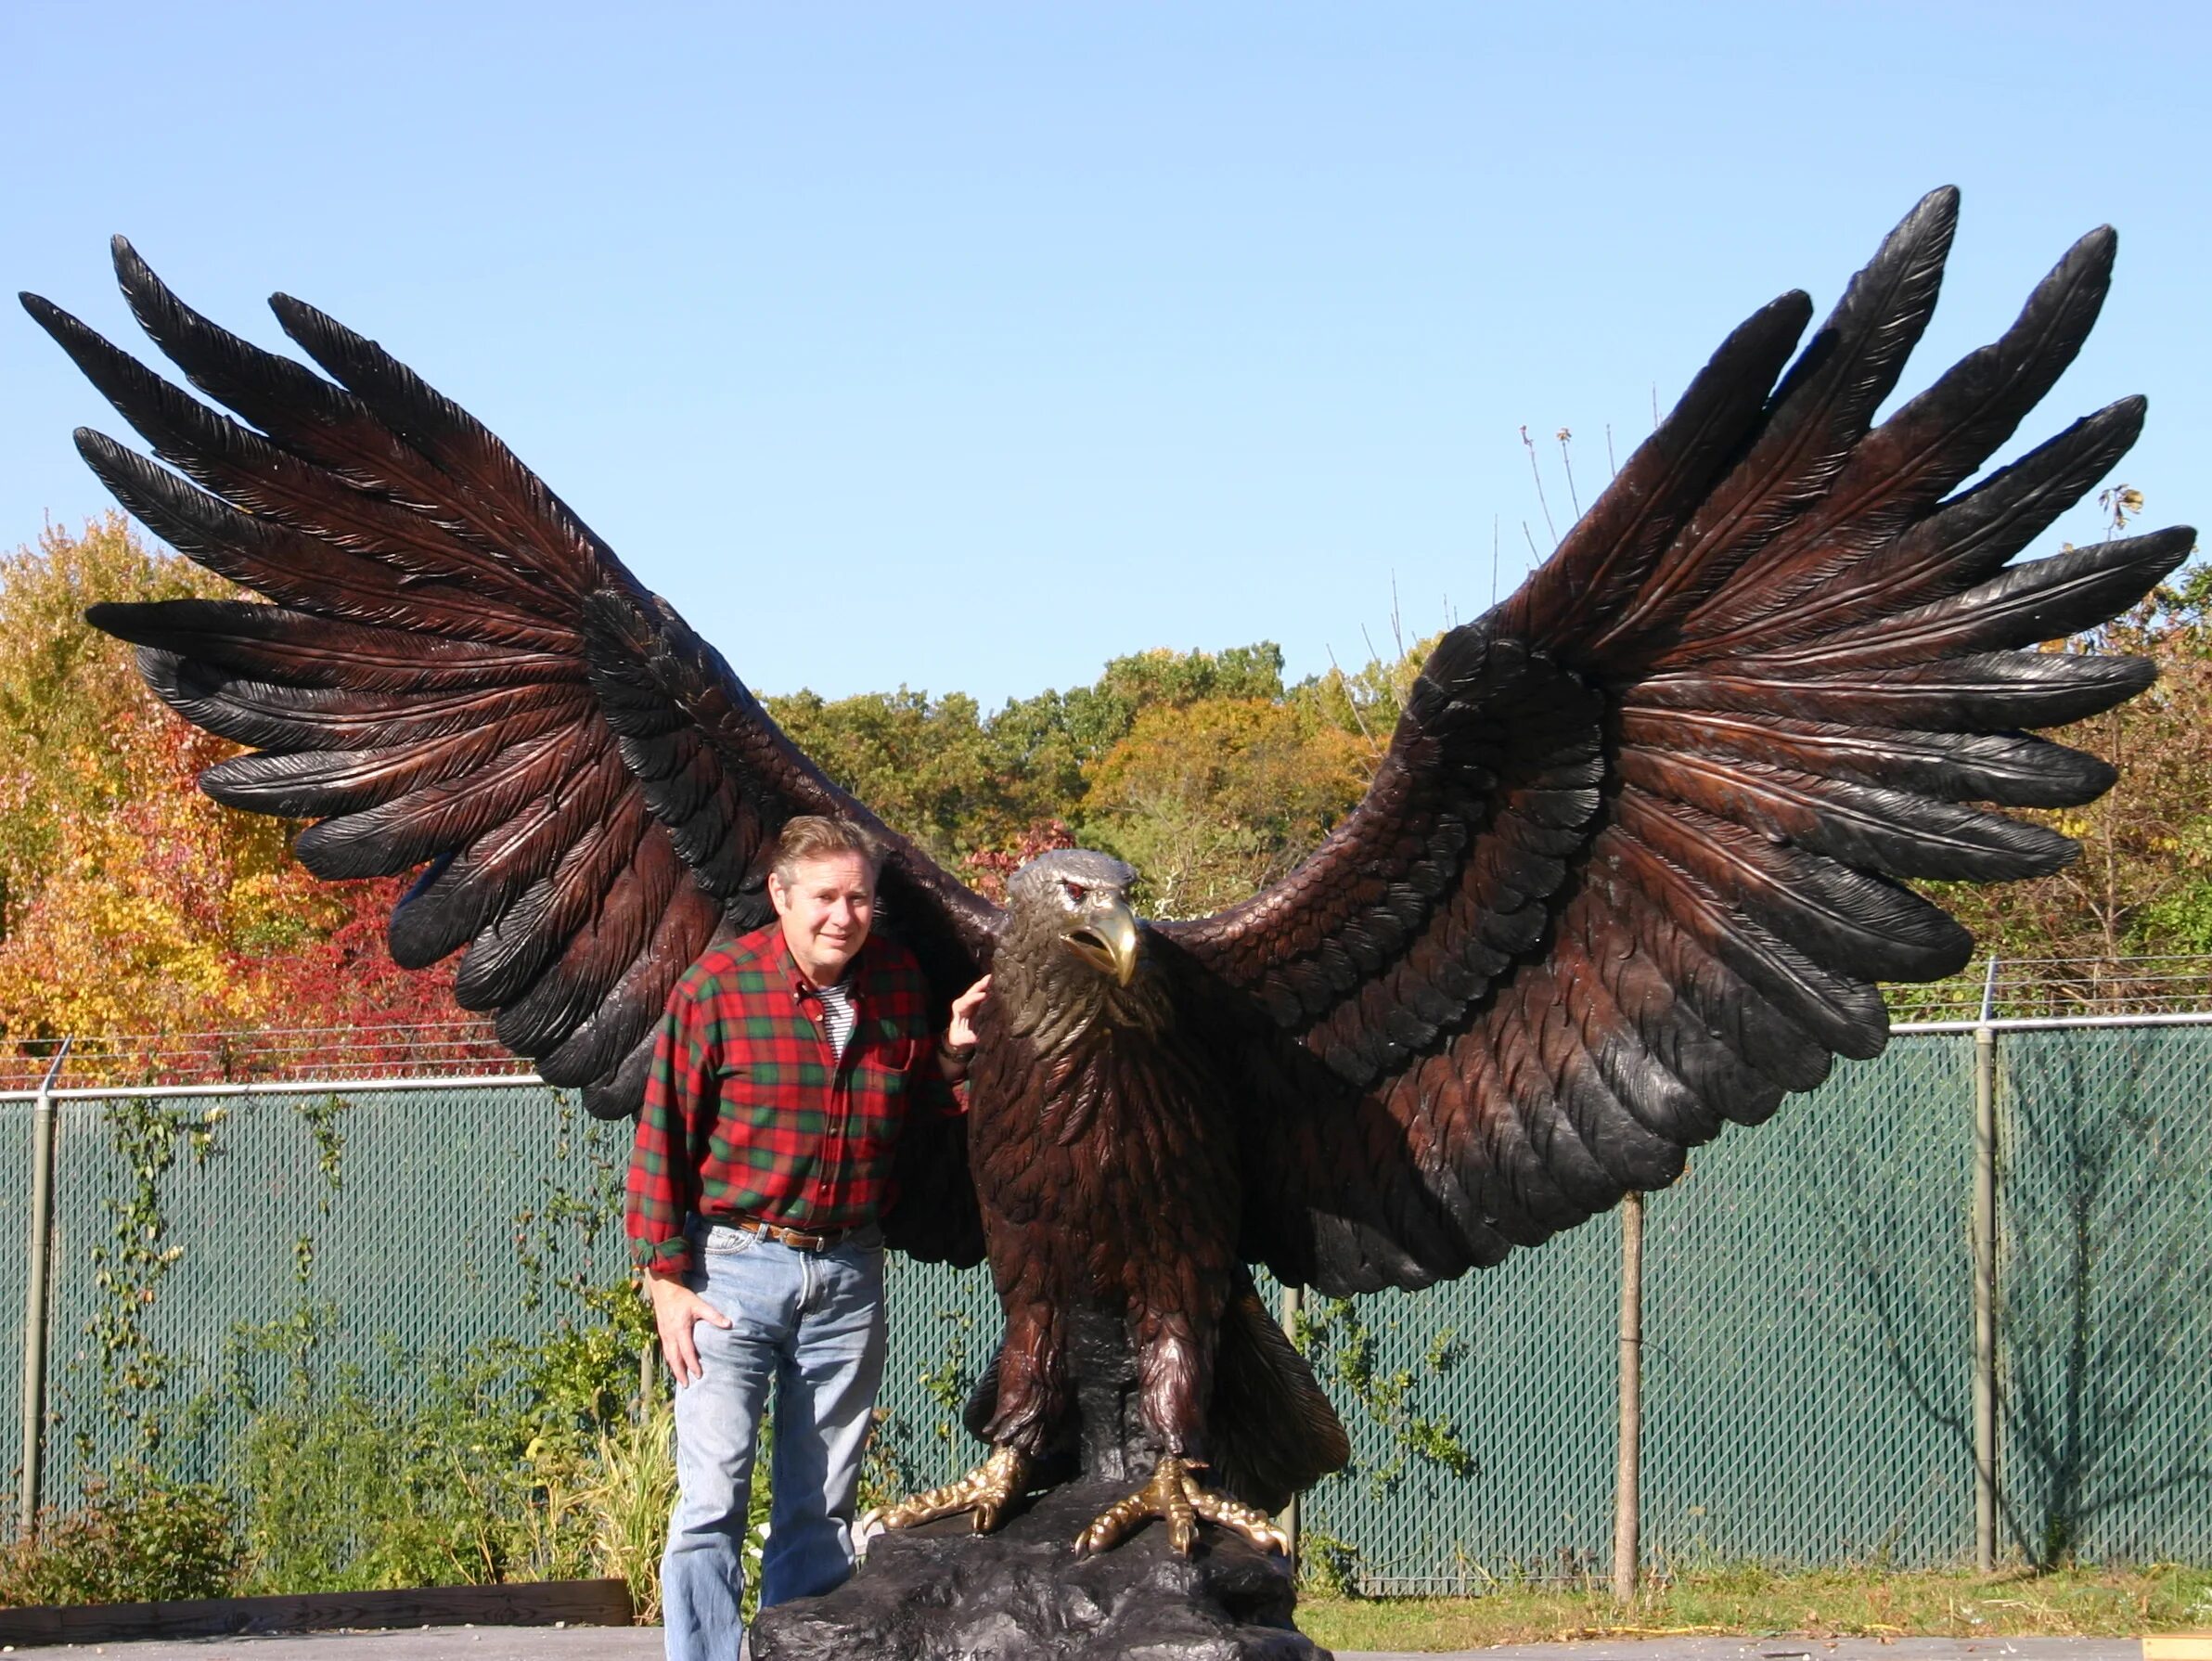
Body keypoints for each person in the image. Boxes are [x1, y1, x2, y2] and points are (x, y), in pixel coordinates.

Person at [625, 815, 987, 1661]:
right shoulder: (718, 989)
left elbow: (914, 1117)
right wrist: (666, 1280)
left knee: (820, 1507)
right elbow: (661, 1139)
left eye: (859, 898)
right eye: (824, 896)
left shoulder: (898, 985)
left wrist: (951, 1056)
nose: (843, 915)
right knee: (711, 1499)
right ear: (780, 897)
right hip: (730, 1273)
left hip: (849, 1274)